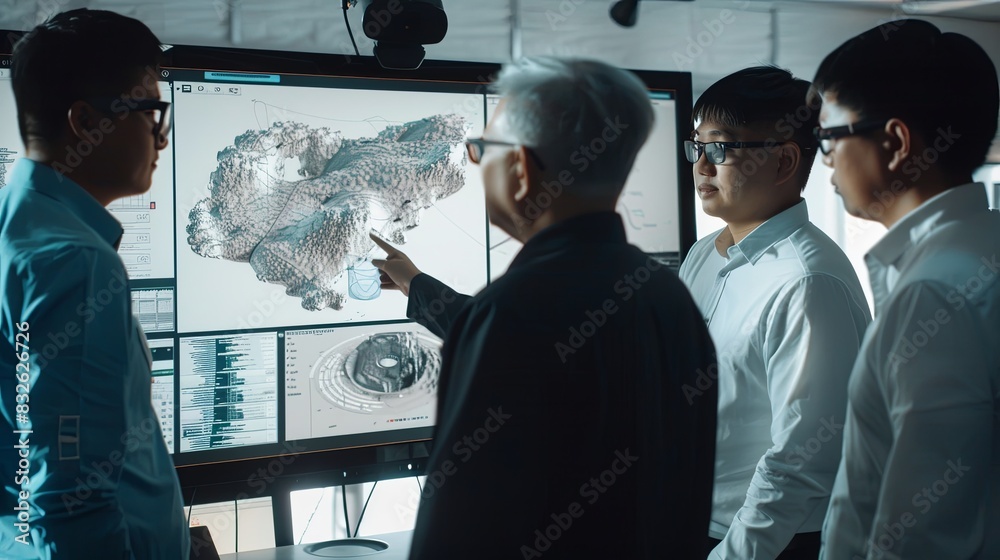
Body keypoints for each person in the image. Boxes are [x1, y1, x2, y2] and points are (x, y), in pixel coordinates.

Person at [371, 57, 718, 559]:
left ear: (518, 168)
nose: (475, 163)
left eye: (480, 150)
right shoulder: (669, 299)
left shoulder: (510, 313)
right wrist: (416, 283)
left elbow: (461, 530)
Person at [0, 9, 189, 560]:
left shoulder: (18, 221)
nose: (161, 138)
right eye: (151, 111)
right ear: (85, 122)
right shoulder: (79, 265)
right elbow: (70, 501)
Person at [811, 19, 1000, 559]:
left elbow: (922, 534)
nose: (823, 161)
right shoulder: (981, 246)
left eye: (828, 137)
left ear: (894, 143)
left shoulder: (933, 294)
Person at [679, 67, 872, 559]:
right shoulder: (705, 253)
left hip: (769, 543)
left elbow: (801, 462)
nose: (701, 166)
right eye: (696, 146)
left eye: (720, 149)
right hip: (695, 523)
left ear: (785, 160)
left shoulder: (807, 281)